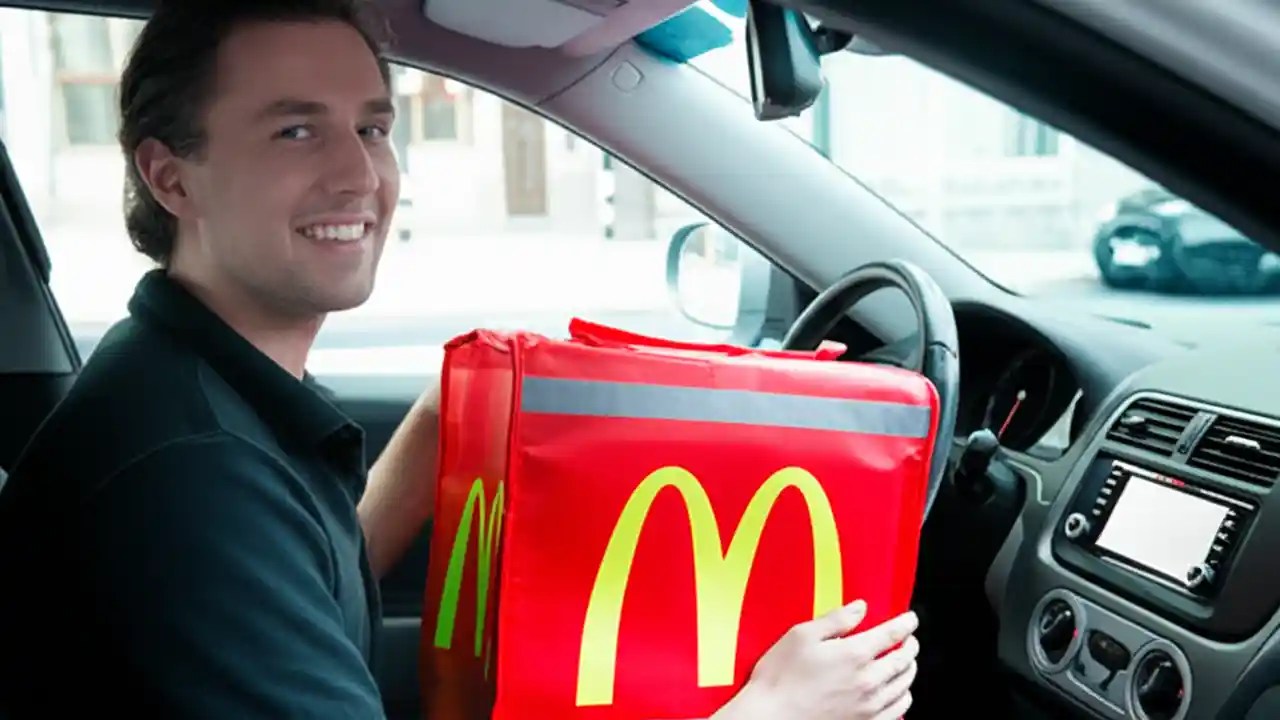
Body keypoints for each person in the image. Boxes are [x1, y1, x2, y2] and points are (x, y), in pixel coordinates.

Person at [0, 0, 919, 718]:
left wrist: (459, 413)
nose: (359, 176)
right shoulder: (190, 478)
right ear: (171, 176)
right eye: (295, 131)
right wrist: (769, 709)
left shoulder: (193, 385)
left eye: (371, 128)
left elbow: (300, 587)